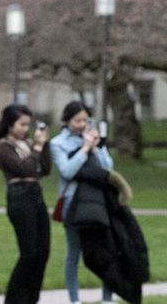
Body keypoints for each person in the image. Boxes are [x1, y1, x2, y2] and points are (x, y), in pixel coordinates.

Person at [49, 101, 115, 304]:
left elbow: (108, 169)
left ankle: (106, 298)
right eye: (77, 120)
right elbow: (67, 171)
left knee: (106, 251)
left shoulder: (93, 139)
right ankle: (74, 299)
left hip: (97, 203)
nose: (81, 124)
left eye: (85, 120)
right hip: (73, 203)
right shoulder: (58, 143)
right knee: (73, 253)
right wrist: (84, 149)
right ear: (67, 120)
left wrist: (95, 148)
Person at [0, 104, 53, 304]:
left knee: (42, 252)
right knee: (29, 253)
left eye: (28, 124)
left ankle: (31, 299)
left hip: (36, 196)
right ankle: (14, 299)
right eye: (22, 124)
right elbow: (24, 169)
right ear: (10, 125)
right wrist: (36, 148)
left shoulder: (28, 144)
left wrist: (44, 145)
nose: (26, 129)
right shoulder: (4, 147)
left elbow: (44, 169)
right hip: (19, 198)